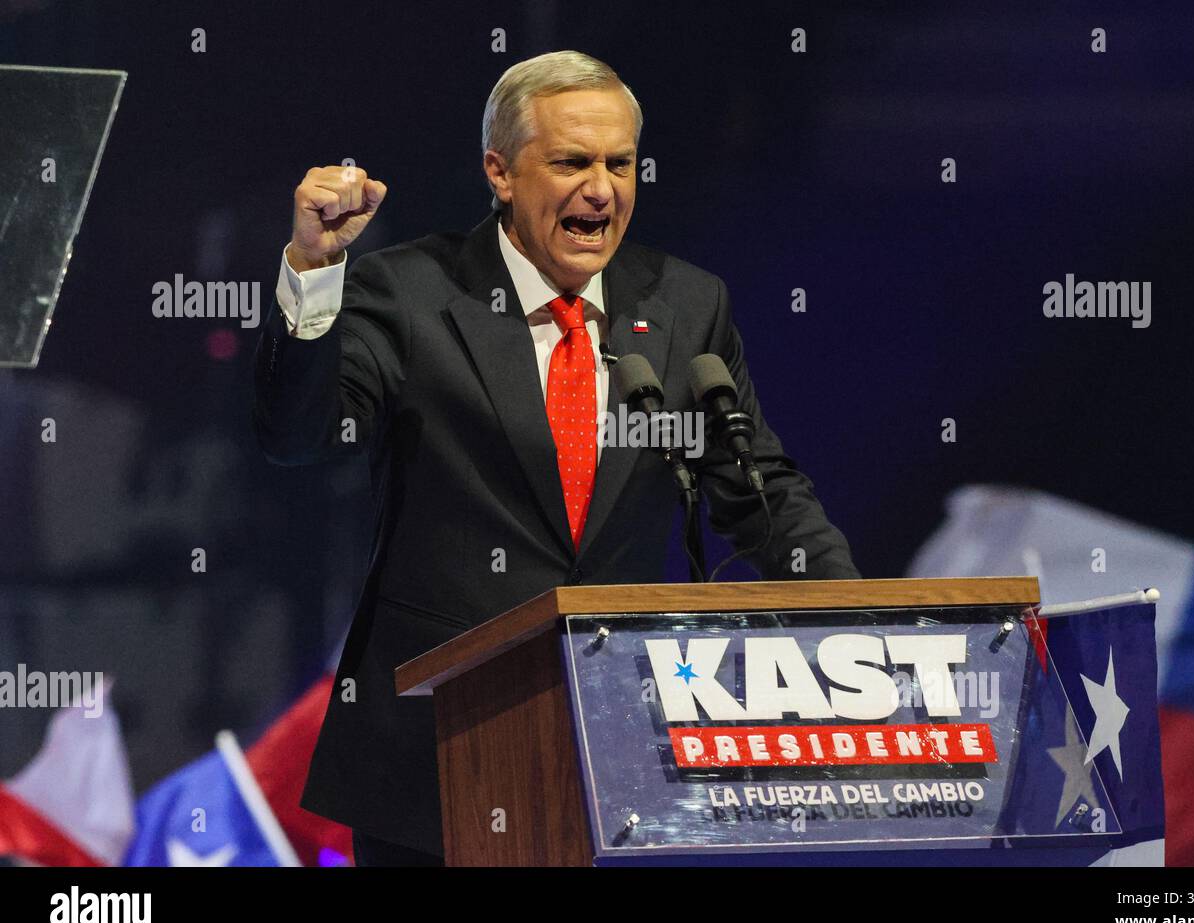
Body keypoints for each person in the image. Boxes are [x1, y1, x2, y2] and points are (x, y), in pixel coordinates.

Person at [254, 50, 859, 866]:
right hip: (439, 760)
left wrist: (868, 617)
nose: (601, 189)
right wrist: (316, 271)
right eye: (572, 161)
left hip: (636, 758)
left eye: (619, 163)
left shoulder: (685, 303)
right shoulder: (409, 294)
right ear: (500, 173)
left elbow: (761, 489)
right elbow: (299, 439)